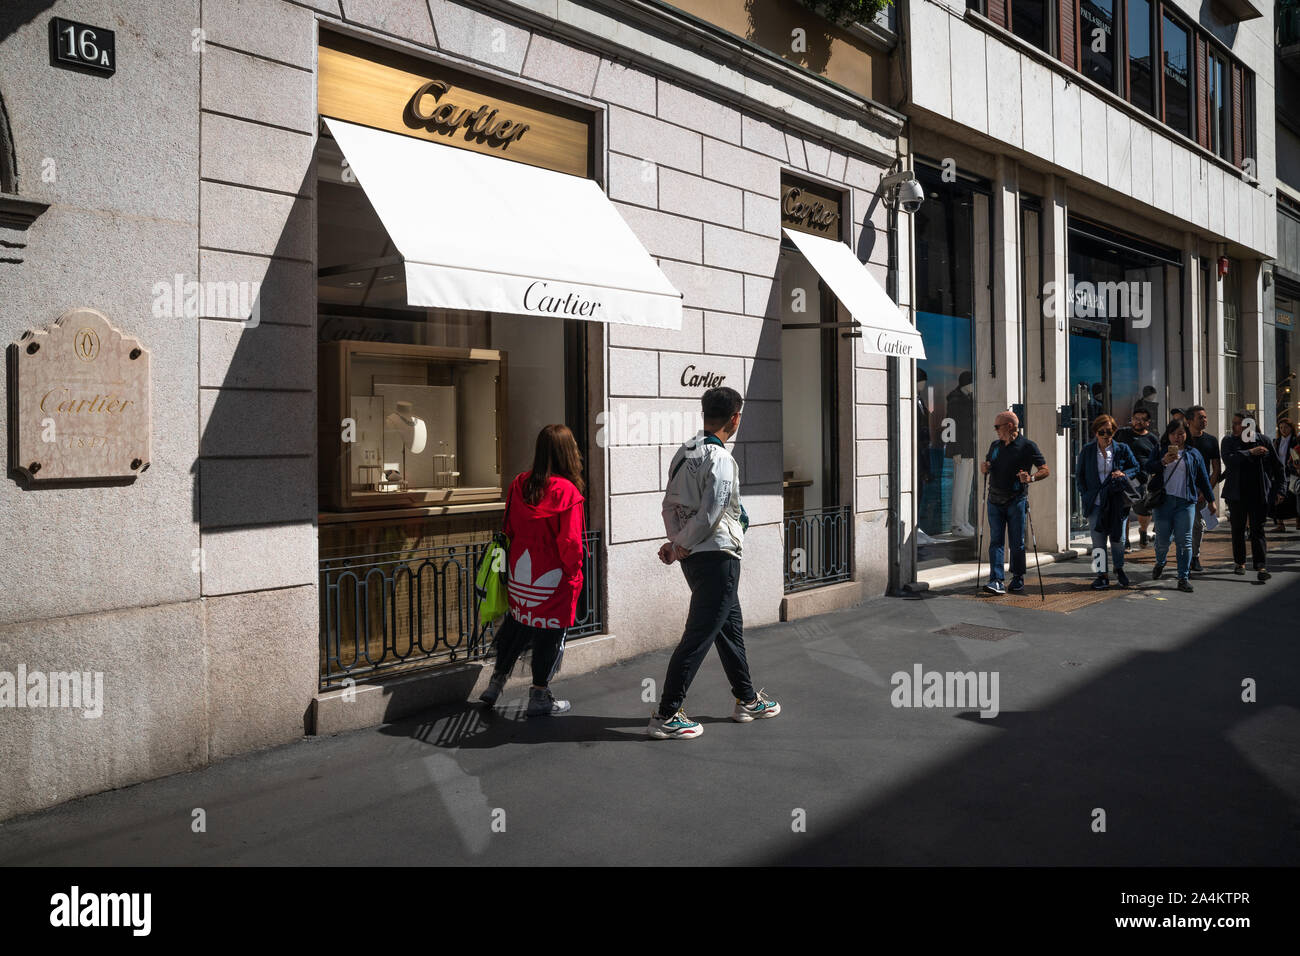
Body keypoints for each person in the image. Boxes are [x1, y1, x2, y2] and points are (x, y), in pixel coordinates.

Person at [649, 386, 780, 740]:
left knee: (728, 630)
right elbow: (711, 513)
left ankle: (747, 699)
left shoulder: (685, 451)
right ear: (735, 418)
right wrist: (680, 546)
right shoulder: (721, 459)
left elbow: (668, 505)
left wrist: (678, 543)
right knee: (699, 636)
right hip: (718, 556)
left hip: (694, 558)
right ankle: (666, 713)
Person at [478, 424, 586, 716]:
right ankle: (539, 695)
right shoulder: (568, 492)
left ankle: (495, 684)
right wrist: (574, 573)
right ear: (569, 453)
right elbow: (571, 543)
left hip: (521, 573)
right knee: (551, 634)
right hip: (554, 578)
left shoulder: (519, 484)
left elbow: (508, 527)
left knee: (518, 625)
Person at [980, 409, 1049, 595]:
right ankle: (996, 580)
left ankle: (1017, 577)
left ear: (1009, 426)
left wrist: (1031, 478)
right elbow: (988, 465)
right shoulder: (995, 445)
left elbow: (1045, 469)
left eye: (997, 427)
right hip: (994, 499)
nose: (996, 431)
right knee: (996, 541)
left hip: (1016, 500)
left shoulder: (1027, 446)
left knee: (1017, 542)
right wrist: (985, 467)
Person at [1143, 419, 1216, 593]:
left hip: (1186, 503)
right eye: (1174, 434)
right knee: (1162, 541)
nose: (1178, 437)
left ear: (1186, 435)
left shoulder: (1193, 453)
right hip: (1163, 503)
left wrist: (1211, 500)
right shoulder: (1160, 450)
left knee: (1185, 542)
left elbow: (1203, 478)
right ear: (1168, 435)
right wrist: (1162, 462)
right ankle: (1160, 562)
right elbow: (1147, 467)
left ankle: (1183, 577)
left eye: (1181, 433)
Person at [1075, 414, 1141, 589]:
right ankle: (1101, 575)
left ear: (1115, 431)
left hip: (1116, 502)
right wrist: (1086, 495)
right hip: (1095, 503)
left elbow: (1136, 467)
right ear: (1095, 432)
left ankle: (1119, 569)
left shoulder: (1122, 449)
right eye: (1101, 432)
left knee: (1118, 540)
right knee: (1098, 542)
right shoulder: (1088, 450)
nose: (1106, 435)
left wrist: (1124, 474)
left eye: (1109, 431)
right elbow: (1079, 476)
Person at [1220, 412, 1284, 581]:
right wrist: (1250, 452)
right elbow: (1229, 460)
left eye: (1238, 423)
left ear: (1249, 425)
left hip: (1259, 493)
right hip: (1236, 493)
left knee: (1258, 530)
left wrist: (1280, 490)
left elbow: (1278, 468)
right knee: (1238, 530)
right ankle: (1240, 563)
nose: (1234, 426)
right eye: (1233, 423)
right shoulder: (1228, 441)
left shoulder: (1264, 440)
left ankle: (1261, 566)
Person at [1184, 405, 1222, 574]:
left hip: (1201, 488)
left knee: (1198, 524)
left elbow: (1216, 468)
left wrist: (1206, 492)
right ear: (1189, 421)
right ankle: (1182, 554)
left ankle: (1195, 557)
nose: (1205, 420)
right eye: (1201, 417)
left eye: (1205, 417)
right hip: (1180, 488)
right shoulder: (1181, 439)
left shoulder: (1211, 440)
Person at [1116, 406, 1159, 549]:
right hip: (1124, 477)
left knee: (1144, 512)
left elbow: (1157, 459)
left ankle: (1143, 530)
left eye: (1142, 420)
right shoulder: (1122, 434)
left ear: (1148, 422)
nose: (1138, 422)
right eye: (1136, 419)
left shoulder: (1152, 439)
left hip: (1143, 480)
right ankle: (1125, 541)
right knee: (1124, 509)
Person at [946, 371, 976, 536]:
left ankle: (964, 521)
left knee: (966, 489)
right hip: (961, 451)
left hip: (968, 449)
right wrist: (955, 450)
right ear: (966, 384)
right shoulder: (955, 400)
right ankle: (957, 524)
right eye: (972, 383)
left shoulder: (968, 398)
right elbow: (951, 424)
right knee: (960, 488)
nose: (974, 386)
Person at [1270, 418, 1297, 531]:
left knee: (1293, 497)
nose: (1283, 430)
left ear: (1291, 428)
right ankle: (1280, 524)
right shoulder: (1276, 441)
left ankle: (1297, 521)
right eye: (1281, 428)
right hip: (1279, 473)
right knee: (1278, 497)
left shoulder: (1295, 441)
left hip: (1292, 472)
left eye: (1285, 427)